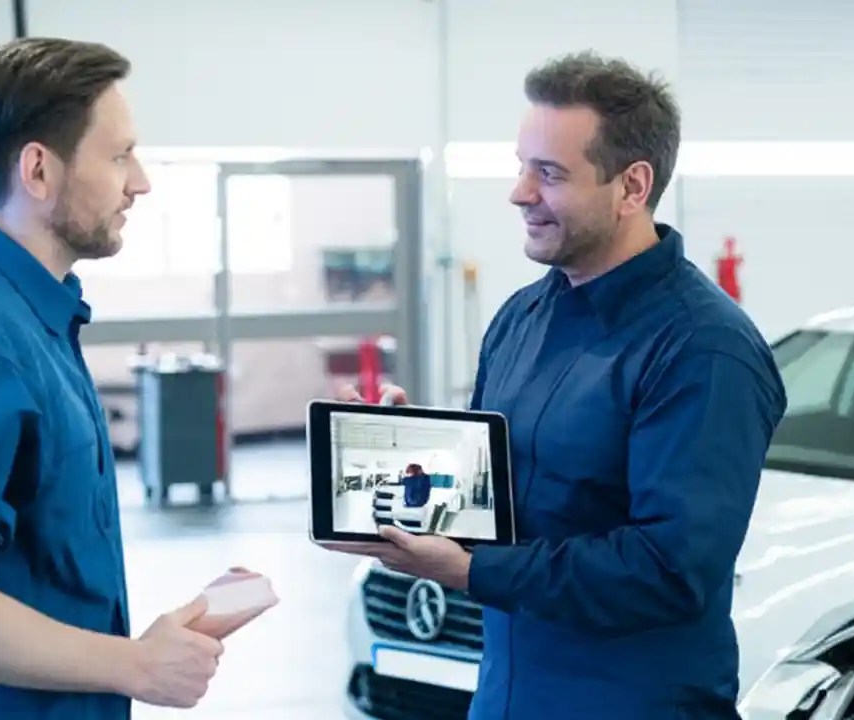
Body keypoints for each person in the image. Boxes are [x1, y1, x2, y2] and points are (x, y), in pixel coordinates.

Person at [332, 51, 786, 719]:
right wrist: (408, 460)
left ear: (632, 186)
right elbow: (505, 500)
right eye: (521, 166)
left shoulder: (703, 349)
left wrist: (470, 571)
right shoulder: (522, 317)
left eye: (548, 173)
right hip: (507, 697)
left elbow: (668, 569)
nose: (520, 192)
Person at [0, 38, 266, 719]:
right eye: (119, 156)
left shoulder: (31, 313)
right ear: (39, 170)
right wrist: (136, 665)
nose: (140, 182)